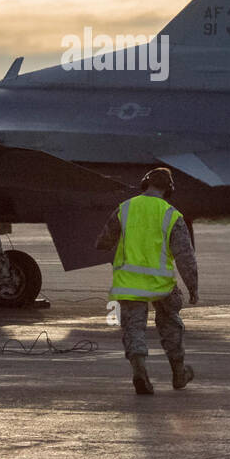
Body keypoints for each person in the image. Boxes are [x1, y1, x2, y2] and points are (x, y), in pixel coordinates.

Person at [94, 167, 199, 394]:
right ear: (169, 189)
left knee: (134, 329)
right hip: (161, 286)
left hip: (129, 285)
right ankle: (179, 373)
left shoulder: (125, 208)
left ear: (145, 184)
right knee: (170, 323)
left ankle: (140, 372)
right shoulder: (172, 215)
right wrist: (193, 289)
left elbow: (103, 241)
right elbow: (185, 258)